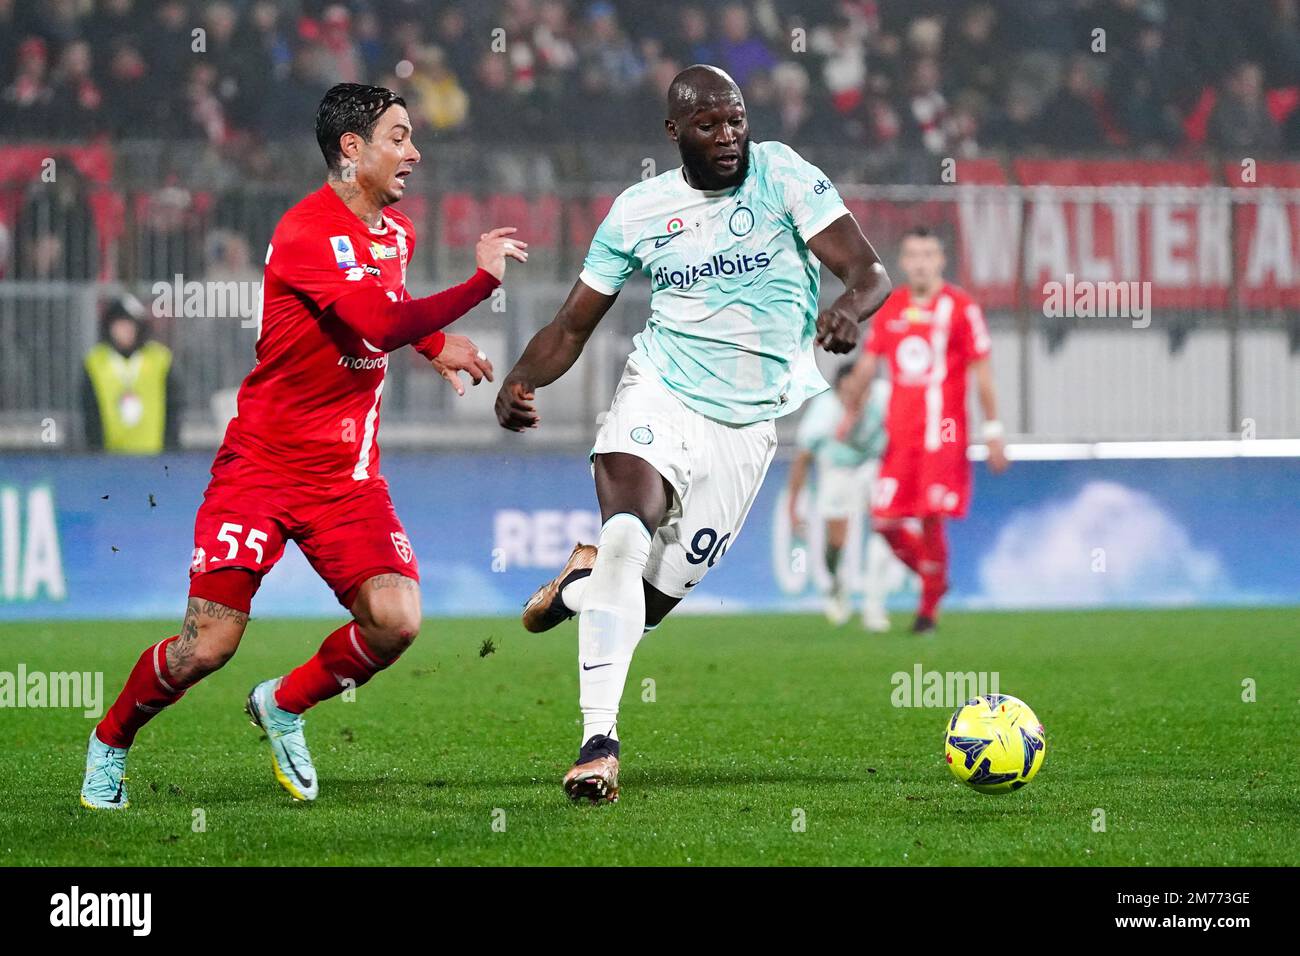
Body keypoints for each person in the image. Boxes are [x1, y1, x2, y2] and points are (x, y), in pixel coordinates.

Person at [80, 83, 525, 810]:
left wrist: (436, 344)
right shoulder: (305, 231)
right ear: (352, 148)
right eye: (399, 137)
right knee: (206, 647)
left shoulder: (395, 234)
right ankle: (111, 742)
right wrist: (479, 284)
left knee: (396, 621)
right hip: (259, 469)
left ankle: (283, 702)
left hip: (346, 478)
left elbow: (371, 320)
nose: (414, 152)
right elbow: (376, 324)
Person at [495, 65, 890, 803]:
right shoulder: (639, 211)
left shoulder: (782, 175)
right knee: (626, 533)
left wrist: (848, 309)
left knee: (644, 606)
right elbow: (573, 323)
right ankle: (598, 744)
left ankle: (585, 588)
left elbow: (868, 270)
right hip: (662, 390)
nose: (729, 136)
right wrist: (520, 381)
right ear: (674, 133)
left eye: (736, 119)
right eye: (709, 125)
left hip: (747, 424)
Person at [839, 226, 1008, 634]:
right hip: (900, 436)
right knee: (884, 521)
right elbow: (868, 363)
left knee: (931, 517)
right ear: (903, 262)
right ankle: (934, 580)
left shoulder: (961, 307)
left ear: (941, 261)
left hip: (943, 435)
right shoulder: (893, 306)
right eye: (913, 255)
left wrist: (994, 430)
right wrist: (851, 411)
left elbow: (982, 372)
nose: (920, 263)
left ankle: (927, 611)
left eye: (928, 255)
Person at [787, 365, 890, 630]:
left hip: (874, 464)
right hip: (837, 469)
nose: (854, 396)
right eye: (847, 391)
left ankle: (874, 606)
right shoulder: (824, 412)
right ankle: (836, 584)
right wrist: (793, 508)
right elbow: (802, 459)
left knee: (885, 529)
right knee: (837, 540)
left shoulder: (884, 396)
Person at [82, 296, 181, 454]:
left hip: (154, 457)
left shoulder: (160, 359)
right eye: (118, 324)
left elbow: (174, 408)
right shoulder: (95, 361)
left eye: (129, 324)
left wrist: (171, 448)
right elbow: (89, 412)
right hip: (109, 458)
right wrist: (95, 451)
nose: (124, 330)